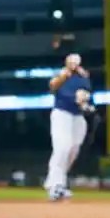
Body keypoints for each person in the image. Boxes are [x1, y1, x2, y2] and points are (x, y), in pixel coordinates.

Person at [44, 53, 94, 200]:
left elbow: (87, 93)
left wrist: (84, 101)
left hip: (77, 116)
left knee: (73, 149)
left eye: (76, 61)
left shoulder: (83, 76)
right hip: (62, 114)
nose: (73, 64)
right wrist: (63, 76)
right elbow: (52, 87)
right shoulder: (61, 74)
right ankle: (54, 186)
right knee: (62, 148)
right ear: (66, 62)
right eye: (71, 61)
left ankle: (60, 183)